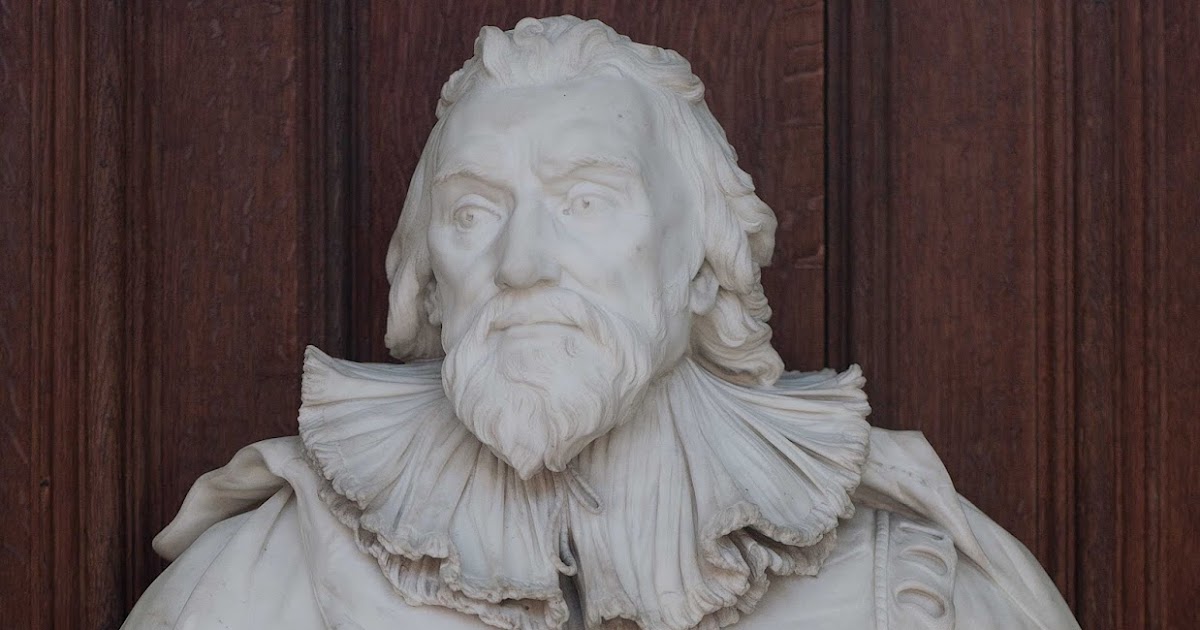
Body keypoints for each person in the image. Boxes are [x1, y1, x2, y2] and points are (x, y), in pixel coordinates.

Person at [122, 16, 1081, 630]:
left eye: (586, 202)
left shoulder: (911, 590)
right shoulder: (253, 588)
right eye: (472, 215)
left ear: (703, 267)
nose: (523, 264)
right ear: (430, 283)